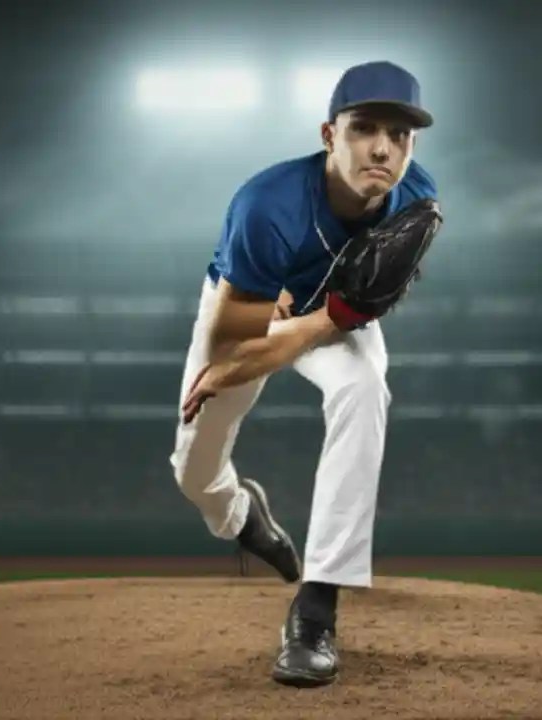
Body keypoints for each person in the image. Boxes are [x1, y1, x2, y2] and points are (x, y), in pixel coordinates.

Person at [169, 60, 437, 688]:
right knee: (193, 470)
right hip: (249, 312)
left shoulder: (418, 199)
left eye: (400, 135)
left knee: (365, 386)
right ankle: (242, 516)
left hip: (333, 318)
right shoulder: (266, 206)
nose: (382, 147)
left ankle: (317, 607)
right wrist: (290, 326)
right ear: (328, 135)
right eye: (365, 127)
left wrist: (332, 317)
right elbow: (231, 356)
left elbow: (347, 313)